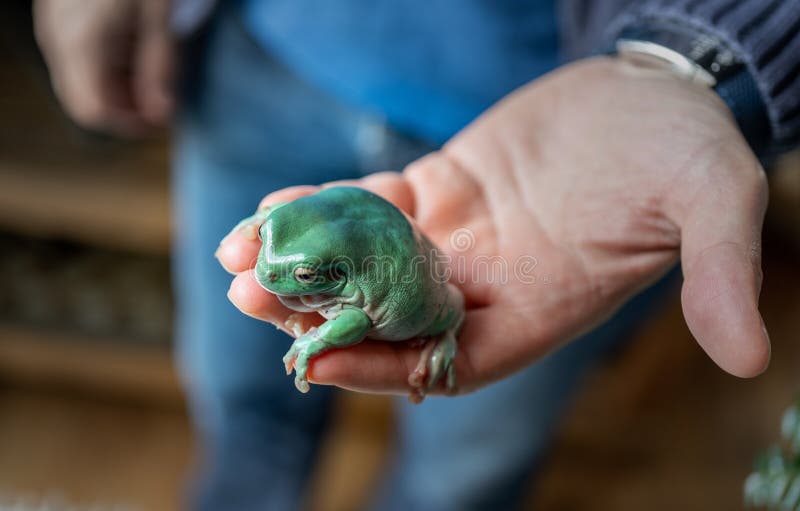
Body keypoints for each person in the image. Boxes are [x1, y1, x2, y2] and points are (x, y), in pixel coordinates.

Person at [34, 0, 800, 509]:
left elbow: (346, 314)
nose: (271, 271)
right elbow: (298, 273)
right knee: (239, 398)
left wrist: (691, 58)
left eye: (296, 275)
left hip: (559, 138)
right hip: (262, 53)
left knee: (461, 467)